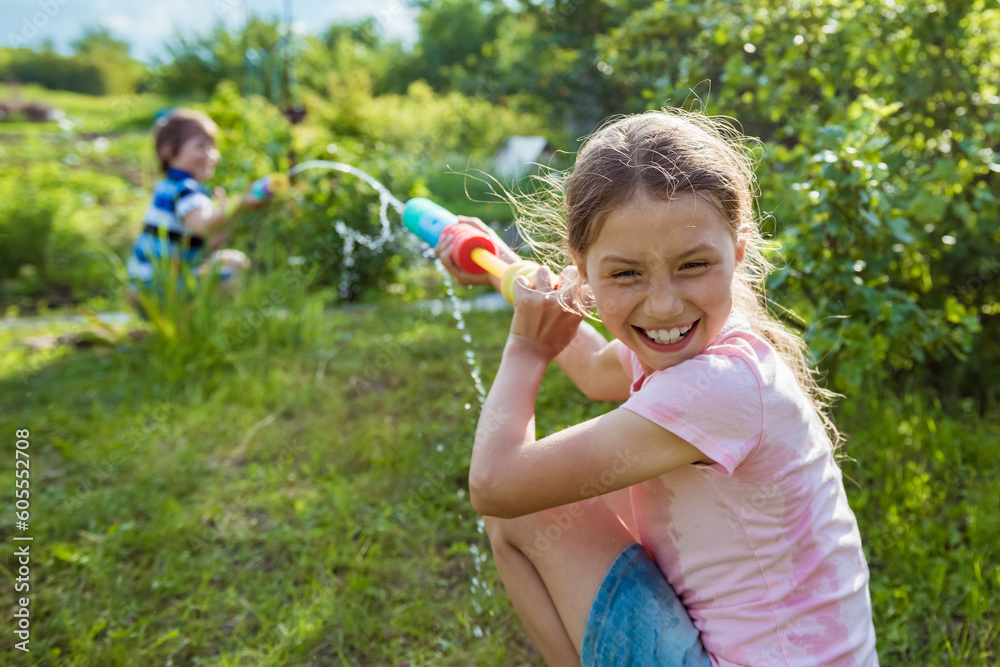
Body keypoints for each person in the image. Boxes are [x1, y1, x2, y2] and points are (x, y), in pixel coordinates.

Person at [437, 110, 878, 666]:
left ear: (738, 250)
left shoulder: (719, 387)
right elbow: (599, 369)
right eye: (625, 275)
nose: (664, 304)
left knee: (523, 509)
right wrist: (502, 268)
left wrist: (526, 348)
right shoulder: (720, 344)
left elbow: (496, 485)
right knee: (556, 496)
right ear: (583, 271)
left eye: (692, 265)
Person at [126, 109, 250, 313]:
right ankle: (190, 328)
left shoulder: (166, 186)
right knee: (233, 269)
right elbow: (202, 226)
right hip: (161, 289)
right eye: (201, 146)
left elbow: (211, 241)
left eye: (213, 146)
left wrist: (229, 218)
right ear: (168, 151)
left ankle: (182, 325)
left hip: (145, 287)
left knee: (231, 258)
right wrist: (237, 207)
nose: (211, 154)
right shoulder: (185, 189)